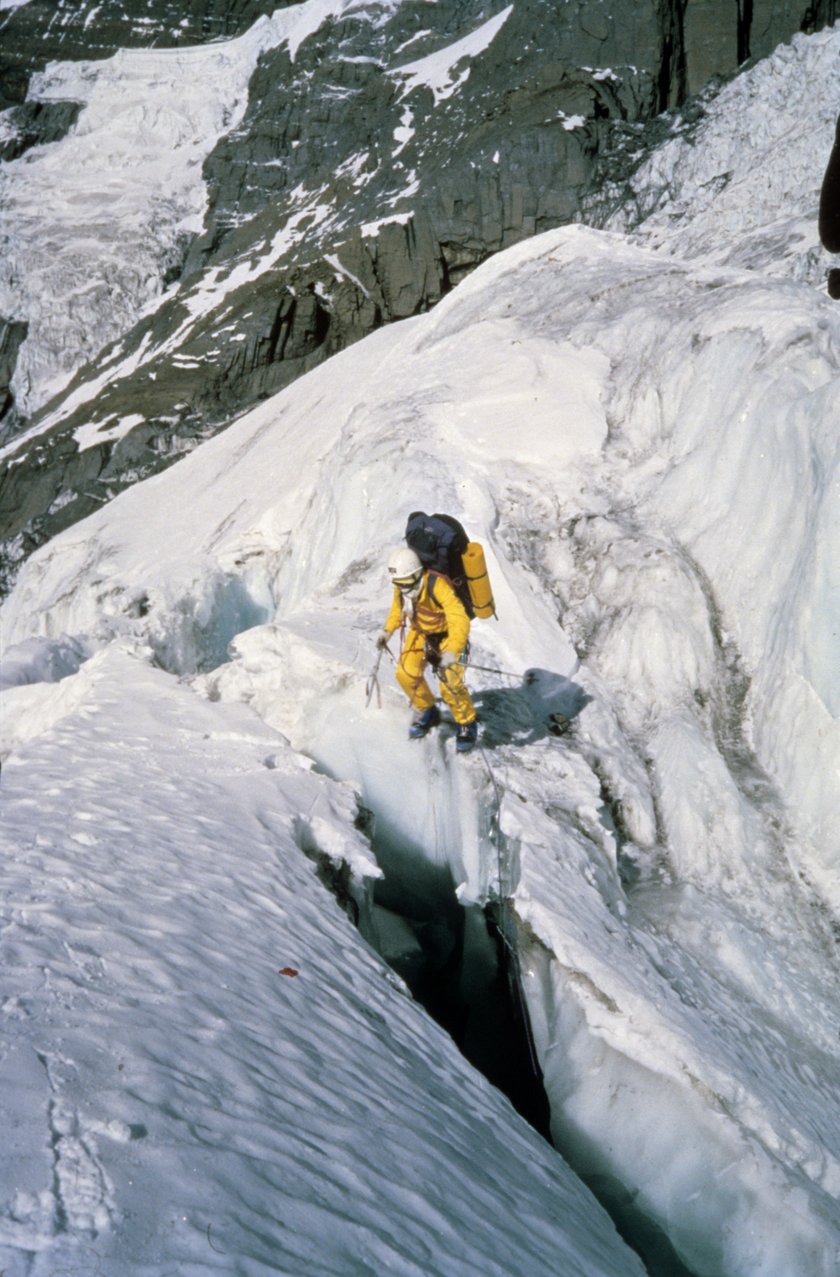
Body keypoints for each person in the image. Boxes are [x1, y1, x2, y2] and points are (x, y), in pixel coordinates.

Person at [377, 546, 479, 752]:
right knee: (406, 673)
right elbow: (397, 608)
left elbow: (459, 618)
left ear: (417, 574)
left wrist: (453, 650)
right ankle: (427, 708)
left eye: (406, 582)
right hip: (422, 633)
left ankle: (466, 722)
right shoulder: (403, 586)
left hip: (450, 637)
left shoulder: (437, 585)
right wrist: (387, 631)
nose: (403, 588)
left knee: (450, 682)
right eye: (399, 584)